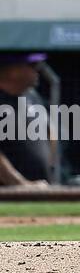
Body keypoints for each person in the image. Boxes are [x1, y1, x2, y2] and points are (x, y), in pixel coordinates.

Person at [0, 53, 52, 186]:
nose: (38, 69)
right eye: (32, 65)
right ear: (11, 70)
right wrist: (21, 184)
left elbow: (49, 133)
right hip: (8, 196)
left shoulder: (32, 96)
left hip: (40, 188)